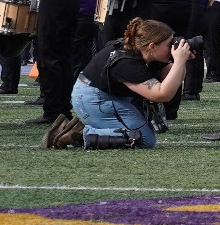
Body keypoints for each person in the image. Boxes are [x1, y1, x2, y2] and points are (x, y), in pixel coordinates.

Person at [70, 17, 194, 148]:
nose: (173, 47)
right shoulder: (127, 63)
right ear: (152, 46)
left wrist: (181, 61)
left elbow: (169, 76)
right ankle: (77, 134)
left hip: (106, 95)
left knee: (142, 134)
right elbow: (162, 95)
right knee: (143, 138)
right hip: (94, 99)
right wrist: (179, 61)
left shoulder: (143, 50)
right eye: (169, 44)